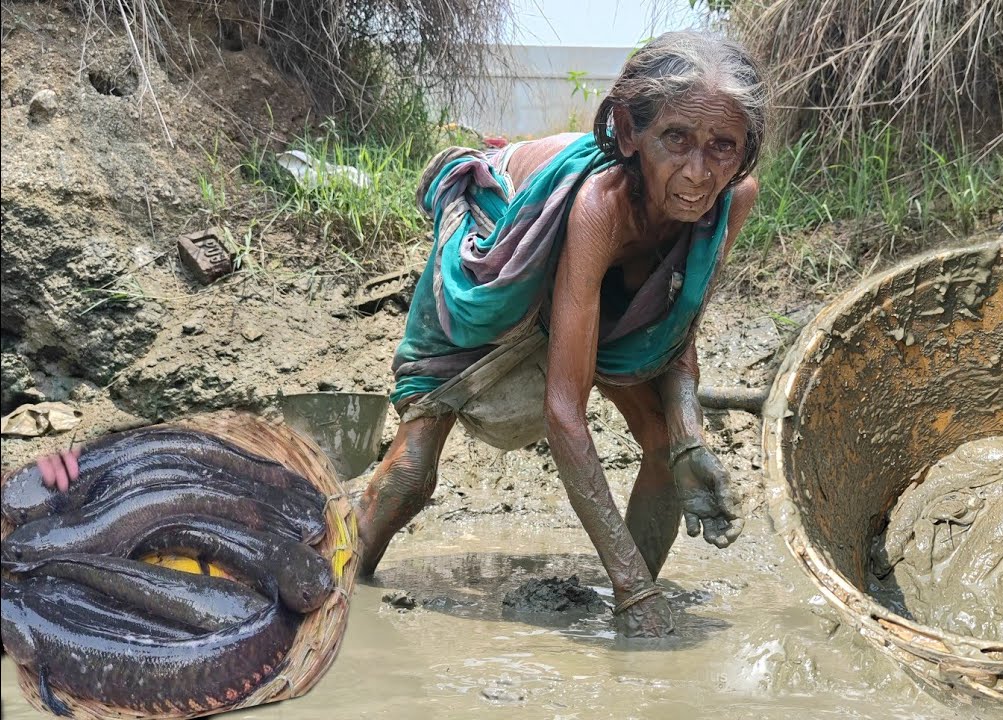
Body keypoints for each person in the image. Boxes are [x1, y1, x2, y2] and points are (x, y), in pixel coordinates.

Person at [26, 30, 765, 640]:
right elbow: (565, 412)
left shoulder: (730, 200)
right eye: (677, 139)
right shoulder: (600, 204)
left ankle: (628, 611)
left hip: (603, 288)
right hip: (504, 254)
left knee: (669, 454)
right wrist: (636, 591)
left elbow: (677, 316)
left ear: (744, 153)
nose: (697, 172)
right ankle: (288, 579)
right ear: (630, 132)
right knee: (410, 473)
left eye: (721, 147)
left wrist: (693, 434)